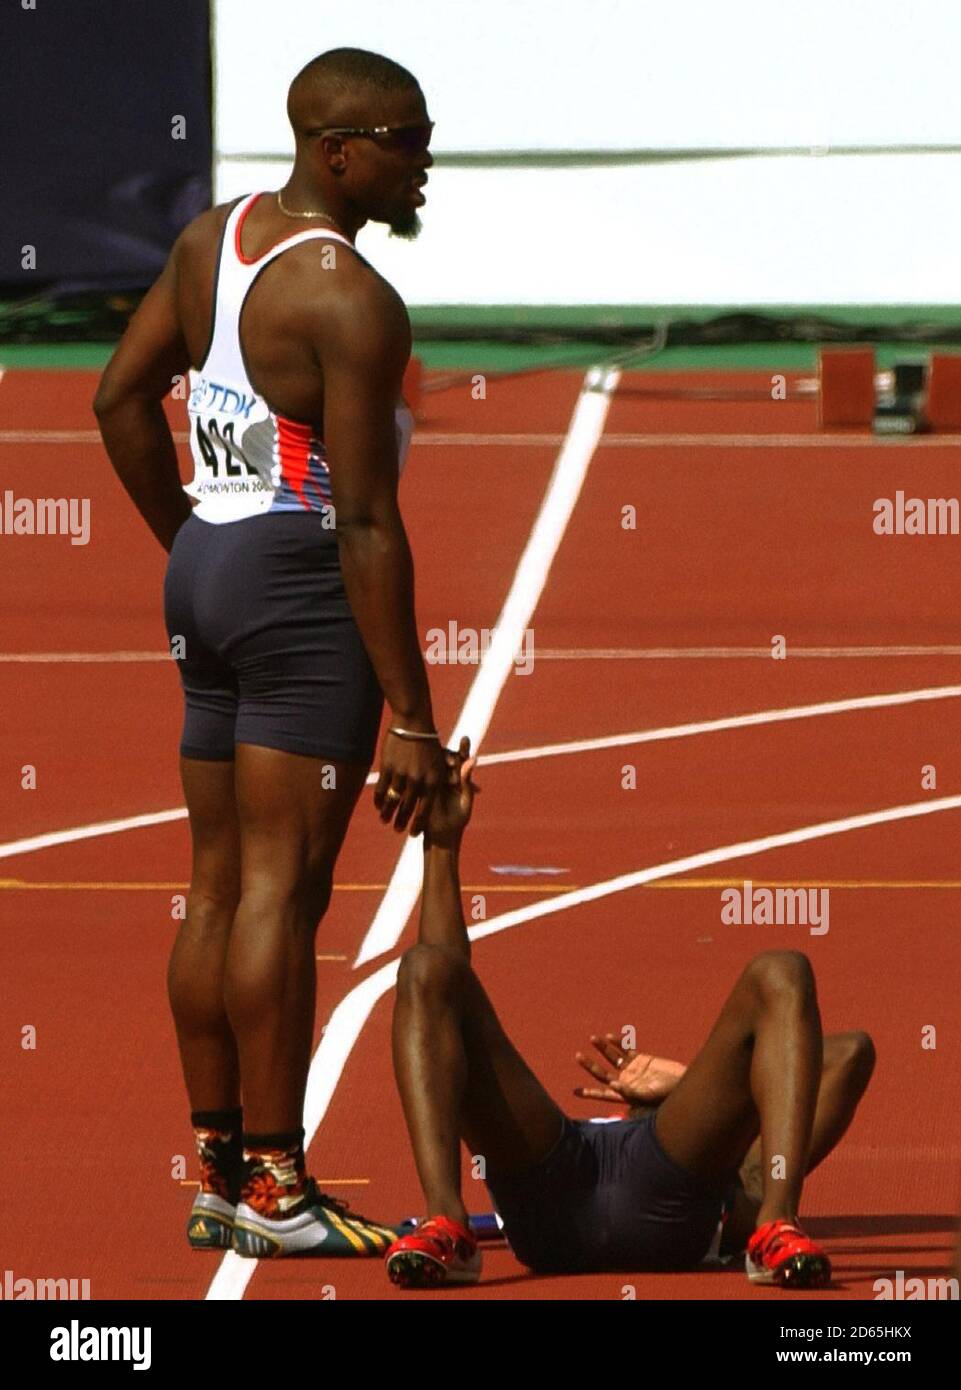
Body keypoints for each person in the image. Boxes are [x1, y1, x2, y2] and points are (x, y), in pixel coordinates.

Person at [93, 47, 447, 1257]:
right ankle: (278, 1187)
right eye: (408, 140)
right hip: (295, 585)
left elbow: (115, 397)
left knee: (218, 881)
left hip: (208, 570)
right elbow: (364, 520)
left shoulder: (212, 236)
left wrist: (189, 543)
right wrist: (409, 711)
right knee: (281, 899)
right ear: (338, 149)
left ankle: (218, 1167)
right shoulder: (351, 300)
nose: (425, 162)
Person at [385, 739, 876, 1288]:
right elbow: (443, 995)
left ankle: (777, 1225)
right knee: (424, 969)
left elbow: (850, 1055)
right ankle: (446, 1222)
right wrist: (441, 846)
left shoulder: (753, 1165)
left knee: (783, 968)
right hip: (550, 1176)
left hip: (672, 1183)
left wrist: (683, 1085)